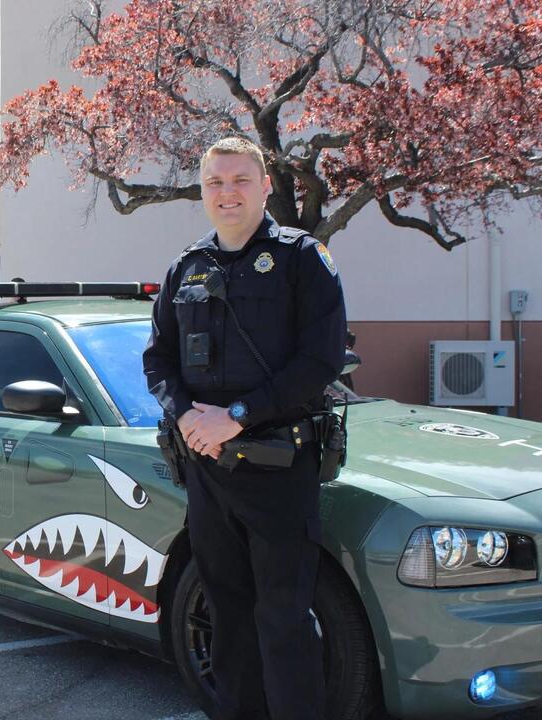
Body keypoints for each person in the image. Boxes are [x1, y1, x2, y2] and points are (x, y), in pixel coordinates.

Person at [142, 136, 347, 720]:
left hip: (278, 467)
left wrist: (237, 416)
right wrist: (185, 414)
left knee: (283, 618)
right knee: (226, 613)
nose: (226, 193)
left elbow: (321, 360)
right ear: (202, 192)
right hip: (208, 470)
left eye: (238, 181)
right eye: (214, 182)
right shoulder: (186, 267)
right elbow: (158, 360)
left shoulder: (302, 258)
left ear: (263, 186)